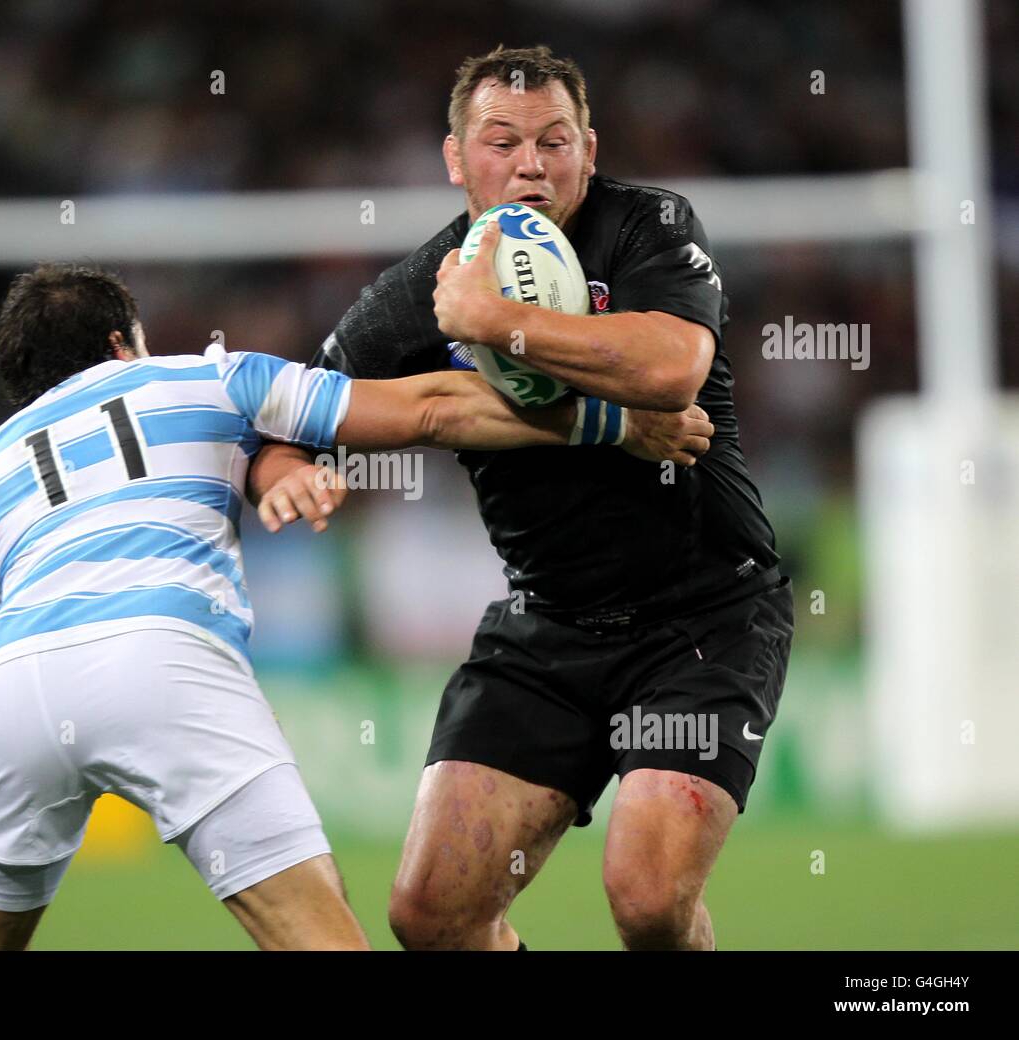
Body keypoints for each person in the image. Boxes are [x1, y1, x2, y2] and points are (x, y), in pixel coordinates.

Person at [249, 45, 793, 951]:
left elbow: (671, 368)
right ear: (457, 160)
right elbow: (292, 414)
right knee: (431, 915)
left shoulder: (647, 225)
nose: (531, 164)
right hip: (549, 629)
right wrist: (281, 473)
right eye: (501, 142)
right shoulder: (413, 295)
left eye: (555, 140)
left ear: (589, 148)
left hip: (704, 618)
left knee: (650, 899)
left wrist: (495, 322)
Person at [0, 261, 607, 951]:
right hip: (163, 654)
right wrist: (609, 420)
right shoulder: (209, 377)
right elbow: (434, 407)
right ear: (120, 343)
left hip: (6, 685)